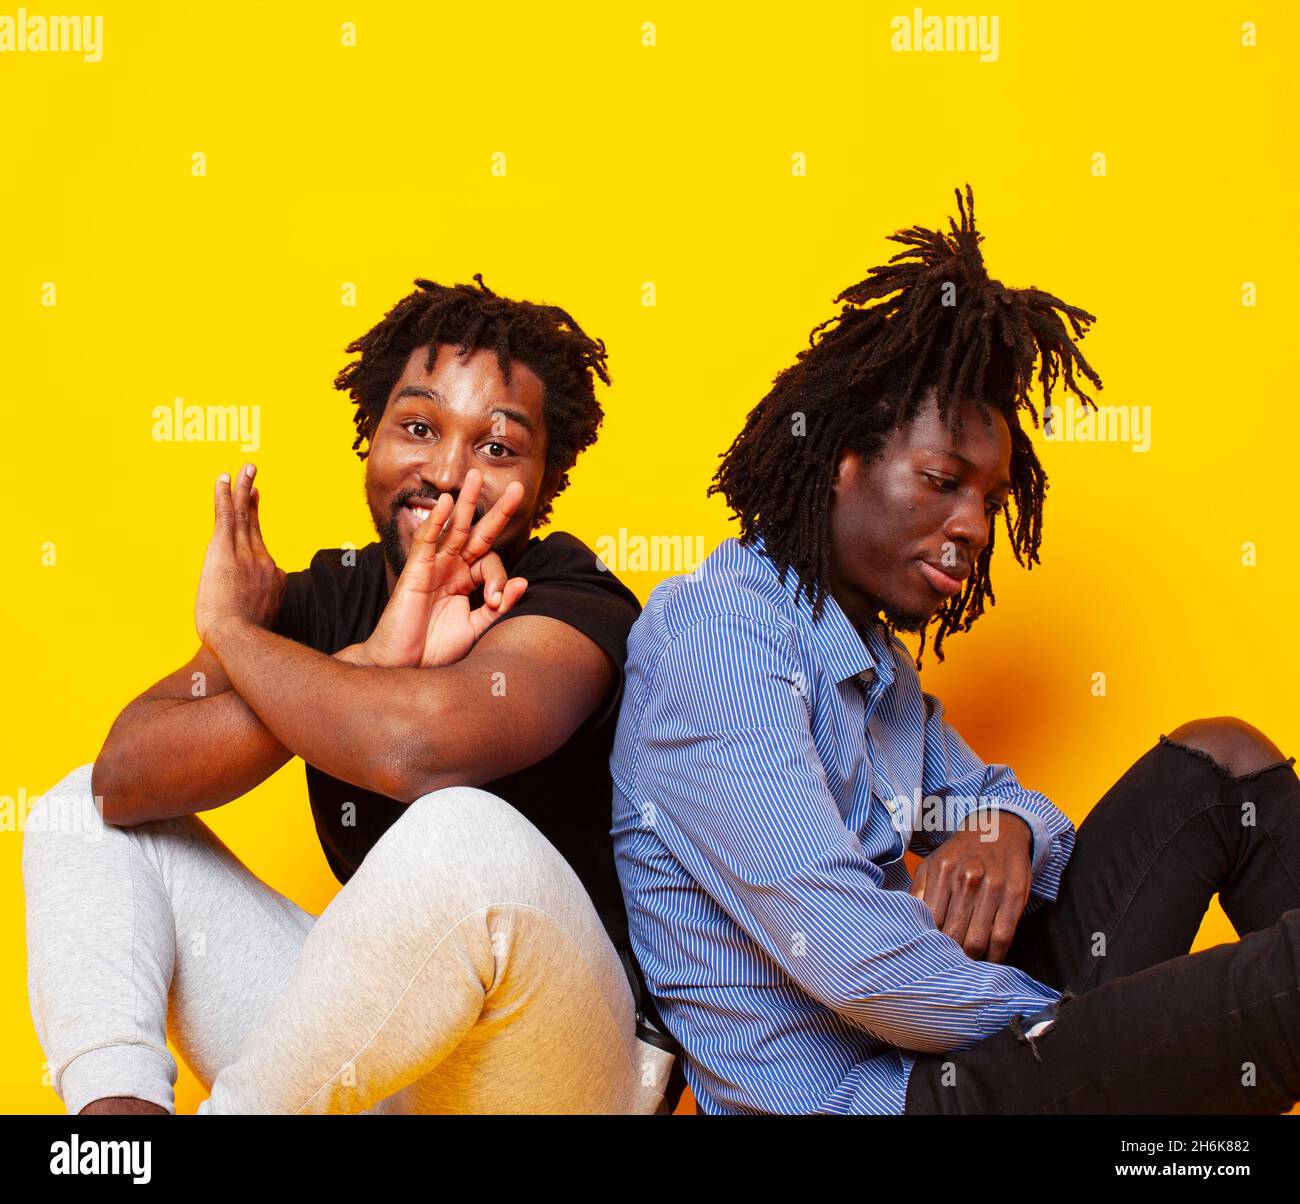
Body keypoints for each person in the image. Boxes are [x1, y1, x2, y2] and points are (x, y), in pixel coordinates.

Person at [610, 185, 1300, 1115]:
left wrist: (1006, 827)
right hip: (881, 1099)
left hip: (957, 1053)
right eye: (942, 482)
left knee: (1224, 762)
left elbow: (998, 800)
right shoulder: (718, 640)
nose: (972, 525)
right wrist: (1096, 1025)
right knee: (1279, 982)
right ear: (840, 461)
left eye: (990, 500)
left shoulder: (874, 667)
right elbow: (853, 963)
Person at [23, 275, 678, 1115]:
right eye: (417, 426)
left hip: (558, 1062)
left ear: (544, 479)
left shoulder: (569, 596)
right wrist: (369, 655)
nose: (446, 471)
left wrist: (235, 632)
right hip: (380, 1056)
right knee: (78, 807)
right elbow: (128, 774)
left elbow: (415, 752)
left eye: (497, 447)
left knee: (459, 829)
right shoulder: (332, 597)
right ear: (371, 434)